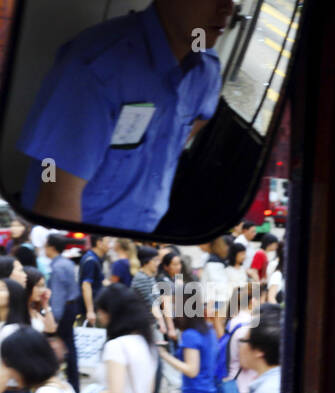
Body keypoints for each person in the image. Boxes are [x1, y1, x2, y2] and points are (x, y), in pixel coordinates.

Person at [17, 2, 226, 232]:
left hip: (143, 231)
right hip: (84, 236)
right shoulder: (97, 67)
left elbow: (203, 114)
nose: (227, 8)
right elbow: (54, 196)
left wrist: (162, 143)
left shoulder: (206, 68)